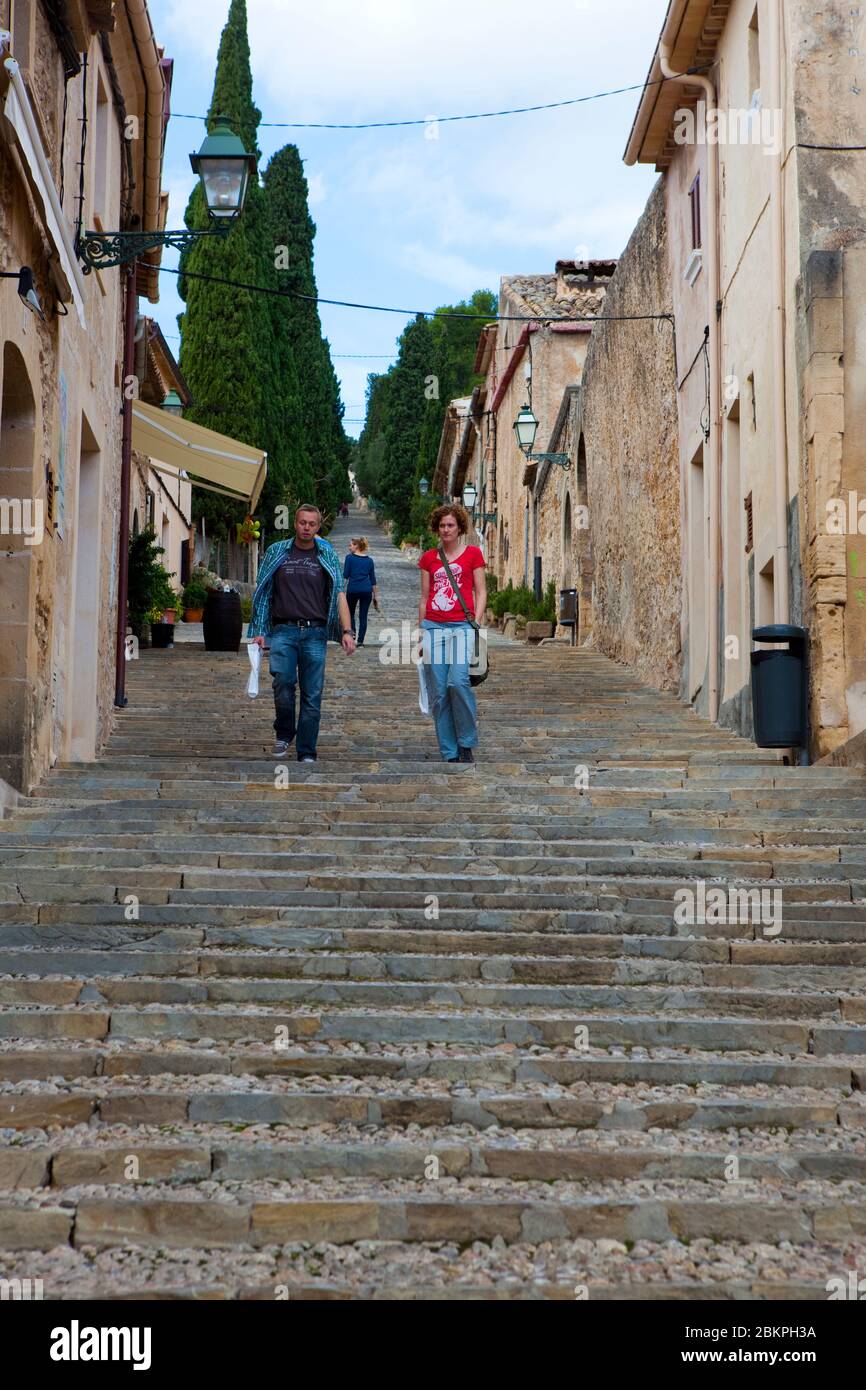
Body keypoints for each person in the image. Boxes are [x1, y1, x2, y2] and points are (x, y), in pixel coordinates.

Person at [248, 504, 356, 761]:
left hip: (315, 633)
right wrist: (260, 630)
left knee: (312, 692)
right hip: (283, 630)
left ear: (318, 527)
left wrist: (347, 631)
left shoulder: (326, 555)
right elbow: (263, 592)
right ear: (295, 523)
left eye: (312, 524)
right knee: (282, 682)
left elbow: (339, 592)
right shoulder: (277, 551)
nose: (306, 528)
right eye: (302, 523)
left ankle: (307, 749)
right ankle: (284, 733)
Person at [418, 503, 486, 764]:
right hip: (434, 627)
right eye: (442, 525)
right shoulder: (428, 559)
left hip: (462, 627)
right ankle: (449, 751)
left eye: (451, 525)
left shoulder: (473, 554)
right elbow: (424, 598)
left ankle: (466, 741)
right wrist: (421, 632)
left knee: (457, 682)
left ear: (459, 528)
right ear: (437, 528)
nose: (446, 529)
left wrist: (475, 623)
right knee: (438, 693)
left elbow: (481, 592)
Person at [343, 537, 379, 646]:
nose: (349, 547)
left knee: (351, 614)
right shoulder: (369, 560)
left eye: (351, 545)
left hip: (353, 589)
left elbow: (345, 575)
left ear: (356, 546)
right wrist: (375, 596)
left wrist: (340, 591)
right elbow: (373, 580)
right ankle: (360, 641)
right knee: (363, 616)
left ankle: (352, 636)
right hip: (366, 590)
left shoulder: (349, 558)